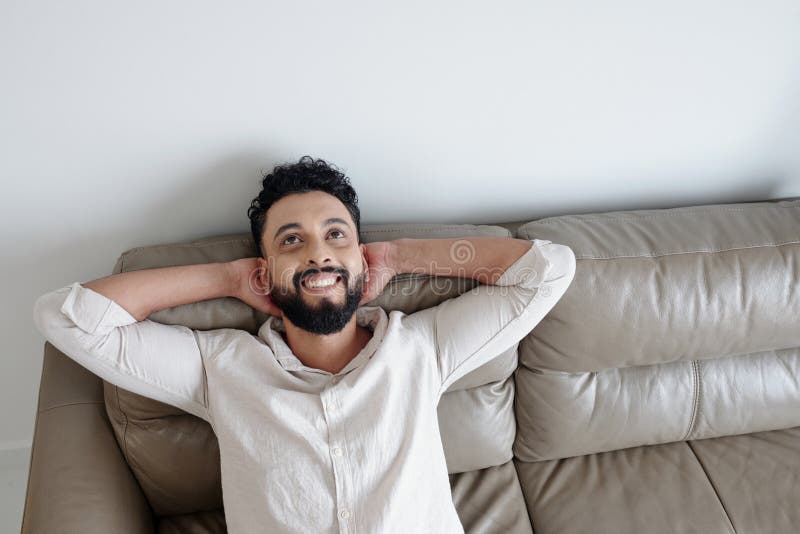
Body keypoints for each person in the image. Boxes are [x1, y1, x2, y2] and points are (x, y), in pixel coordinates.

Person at [32, 155, 577, 533]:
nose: (318, 254)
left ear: (360, 256)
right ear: (265, 270)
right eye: (292, 241)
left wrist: (398, 257)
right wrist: (228, 278)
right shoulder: (220, 368)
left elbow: (549, 271)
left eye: (336, 235)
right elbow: (67, 318)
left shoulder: (421, 348)